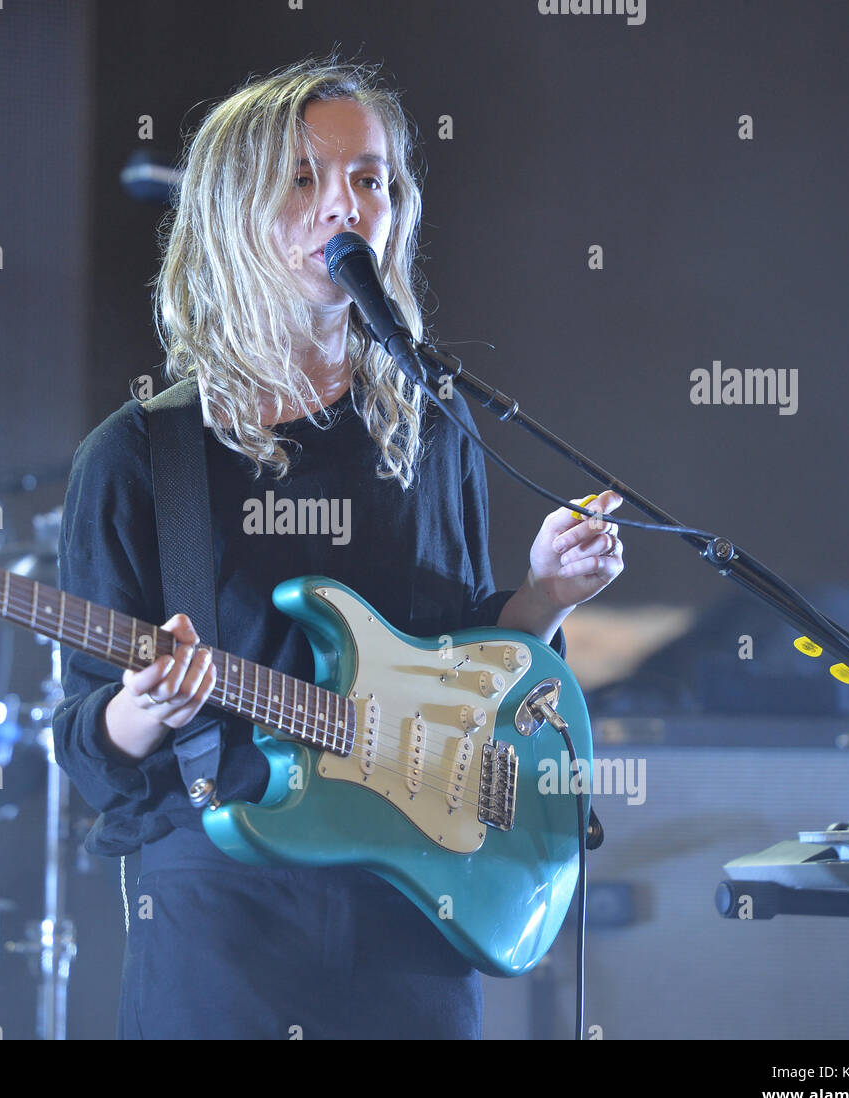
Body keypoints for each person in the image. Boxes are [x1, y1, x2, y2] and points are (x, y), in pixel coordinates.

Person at [52, 55, 624, 1039]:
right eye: (303, 180)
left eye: (369, 178)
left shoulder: (434, 428)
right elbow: (82, 736)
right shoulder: (140, 455)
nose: (343, 207)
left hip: (412, 897)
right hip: (223, 901)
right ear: (233, 214)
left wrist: (542, 596)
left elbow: (464, 668)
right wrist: (137, 711)